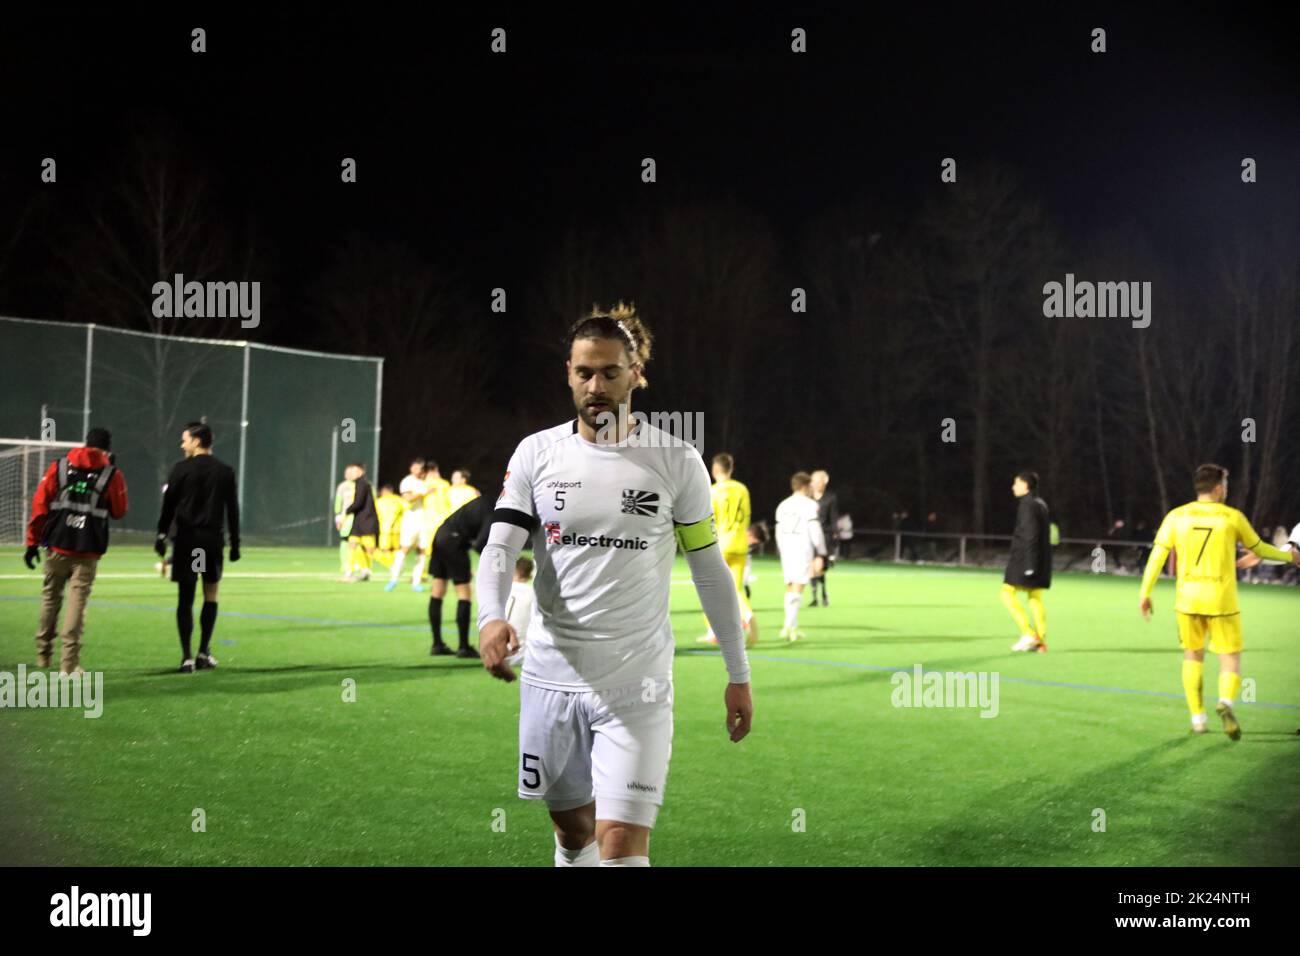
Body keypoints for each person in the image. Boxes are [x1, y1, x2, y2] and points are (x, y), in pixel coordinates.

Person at [474, 302, 752, 867]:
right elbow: (501, 546)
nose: (595, 385)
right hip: (550, 677)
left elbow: (708, 569)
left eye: (610, 371)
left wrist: (737, 673)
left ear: (636, 374)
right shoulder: (536, 453)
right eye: (584, 372)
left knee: (622, 843)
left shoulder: (677, 460)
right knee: (575, 833)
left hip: (638, 684)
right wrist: (490, 616)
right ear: (568, 374)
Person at [1139, 464, 1300, 738]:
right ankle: (1225, 701)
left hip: (1187, 601)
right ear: (1217, 488)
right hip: (1221, 601)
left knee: (1193, 655)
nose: (1227, 489)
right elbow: (1259, 548)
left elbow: (1158, 555)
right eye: (1226, 484)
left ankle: (1198, 718)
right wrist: (1290, 556)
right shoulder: (1232, 517)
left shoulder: (1176, 516)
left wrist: (1145, 592)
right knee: (1230, 658)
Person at [24, 427, 128, 674]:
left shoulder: (59, 467)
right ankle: (68, 665)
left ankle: (43, 656)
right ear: (107, 449)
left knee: (50, 598)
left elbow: (40, 505)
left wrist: (31, 542)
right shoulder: (111, 474)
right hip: (87, 550)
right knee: (77, 603)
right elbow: (119, 511)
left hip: (56, 546)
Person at [156, 421, 240, 673]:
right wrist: (235, 543)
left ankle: (186, 658)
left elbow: (168, 506)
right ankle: (204, 652)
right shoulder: (225, 471)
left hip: (187, 540)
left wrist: (160, 535)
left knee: (186, 597)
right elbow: (232, 509)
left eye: (185, 439)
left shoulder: (180, 469)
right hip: (210, 541)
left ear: (196, 441)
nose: (182, 444)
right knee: (210, 594)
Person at [698, 453, 756, 647]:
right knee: (737, 589)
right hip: (740, 544)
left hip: (721, 545)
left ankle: (713, 632)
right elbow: (747, 517)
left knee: (711, 590)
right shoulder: (743, 489)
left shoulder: (713, 491)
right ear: (731, 469)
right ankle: (748, 616)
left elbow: (708, 520)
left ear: (715, 471)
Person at [426, 492, 492, 658]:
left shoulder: (484, 501)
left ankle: (437, 644)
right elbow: (480, 544)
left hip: (440, 534)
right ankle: (463, 647)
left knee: (437, 590)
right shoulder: (494, 508)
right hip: (455, 541)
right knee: (464, 592)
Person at [774, 471, 827, 642]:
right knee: (799, 586)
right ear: (805, 486)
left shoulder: (782, 505)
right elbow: (815, 531)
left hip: (786, 548)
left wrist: (781, 549)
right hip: (801, 548)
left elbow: (778, 531)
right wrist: (821, 552)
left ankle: (793, 626)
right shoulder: (810, 505)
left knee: (790, 585)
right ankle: (788, 625)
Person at [1003, 471, 1052, 653]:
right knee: (1035, 598)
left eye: (1016, 483)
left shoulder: (1027, 505)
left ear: (1025, 486)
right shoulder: (1040, 503)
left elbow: (1030, 535)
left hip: (1026, 559)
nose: (1013, 487)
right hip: (1042, 559)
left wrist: (1030, 564)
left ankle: (1029, 633)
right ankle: (1041, 641)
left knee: (1006, 593)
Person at [386, 458, 429, 591]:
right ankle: (393, 579)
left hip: (424, 520)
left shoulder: (423, 482)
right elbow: (408, 498)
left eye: (420, 468)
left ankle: (416, 582)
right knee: (404, 548)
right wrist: (423, 494)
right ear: (411, 468)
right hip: (411, 519)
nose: (418, 470)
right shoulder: (407, 481)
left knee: (422, 551)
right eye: (416, 467)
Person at [343, 463, 379, 581]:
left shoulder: (362, 484)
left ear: (360, 471)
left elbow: (358, 502)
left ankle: (393, 566)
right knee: (353, 545)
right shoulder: (360, 484)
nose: (351, 474)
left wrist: (347, 510)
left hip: (366, 521)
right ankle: (351, 572)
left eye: (353, 471)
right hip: (360, 521)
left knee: (370, 549)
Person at [808, 469, 838, 606]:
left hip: (824, 536)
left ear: (824, 482)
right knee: (811, 568)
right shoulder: (807, 497)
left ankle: (824, 593)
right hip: (808, 535)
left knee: (819, 566)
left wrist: (834, 540)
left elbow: (833, 520)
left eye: (817, 481)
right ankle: (815, 597)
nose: (814, 484)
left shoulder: (830, 498)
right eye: (813, 481)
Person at [504, 556, 535, 669]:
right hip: (524, 656)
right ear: (531, 575)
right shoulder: (534, 594)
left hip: (496, 654)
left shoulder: (499, 591)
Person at [374, 482, 405, 568]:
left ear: (384, 491)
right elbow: (407, 509)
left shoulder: (379, 501)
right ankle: (397, 565)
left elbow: (374, 514)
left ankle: (392, 565)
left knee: (386, 549)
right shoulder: (399, 500)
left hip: (384, 529)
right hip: (397, 529)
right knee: (396, 549)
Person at [333, 467, 356, 579]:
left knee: (359, 542)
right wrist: (338, 518)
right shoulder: (342, 486)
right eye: (346, 472)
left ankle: (359, 566)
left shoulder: (363, 485)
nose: (347, 474)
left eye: (350, 472)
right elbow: (338, 503)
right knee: (345, 540)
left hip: (359, 518)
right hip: (346, 518)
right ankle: (345, 565)